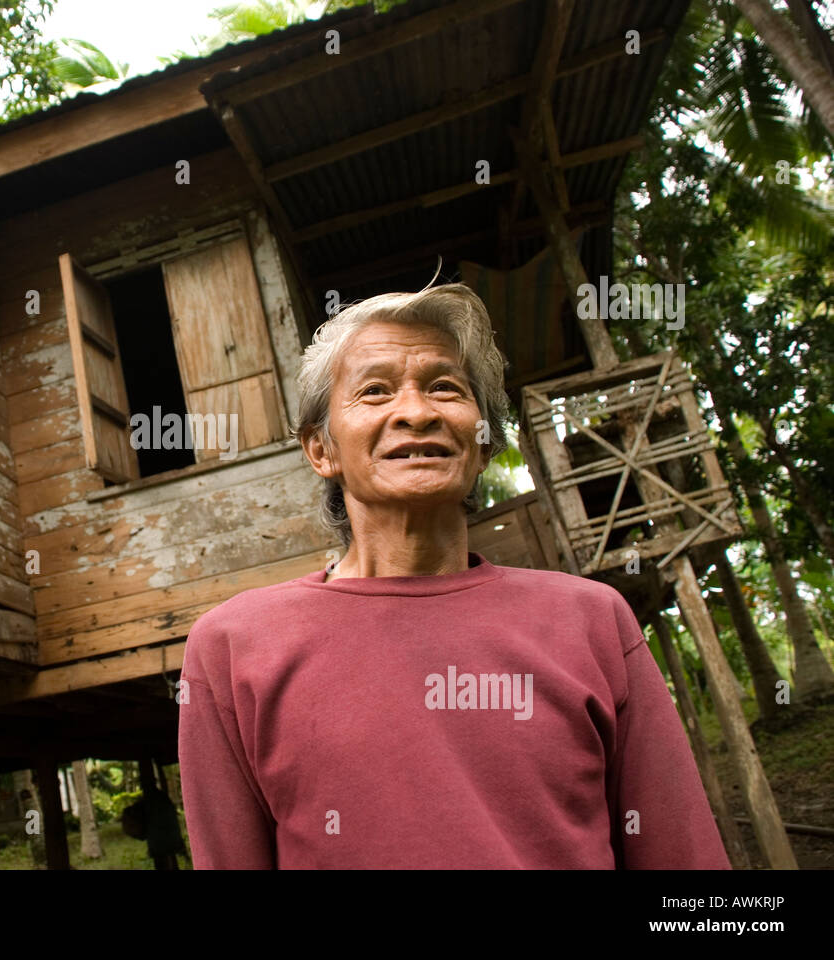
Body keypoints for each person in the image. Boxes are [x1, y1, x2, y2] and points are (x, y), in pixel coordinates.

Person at [176, 284, 730, 869]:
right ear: (321, 450)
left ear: (484, 442)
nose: (417, 412)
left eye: (445, 387)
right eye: (375, 391)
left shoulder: (593, 621)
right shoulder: (233, 648)